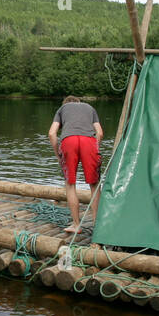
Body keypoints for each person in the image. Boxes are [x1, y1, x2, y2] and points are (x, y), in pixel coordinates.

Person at [48, 95, 103, 233]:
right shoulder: (90, 108)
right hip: (89, 142)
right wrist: (95, 148)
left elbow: (52, 134)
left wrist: (58, 155)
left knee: (70, 184)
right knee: (95, 184)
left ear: (65, 103)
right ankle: (98, 224)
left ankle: (76, 225)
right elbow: (100, 133)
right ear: (79, 102)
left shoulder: (62, 108)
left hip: (69, 141)